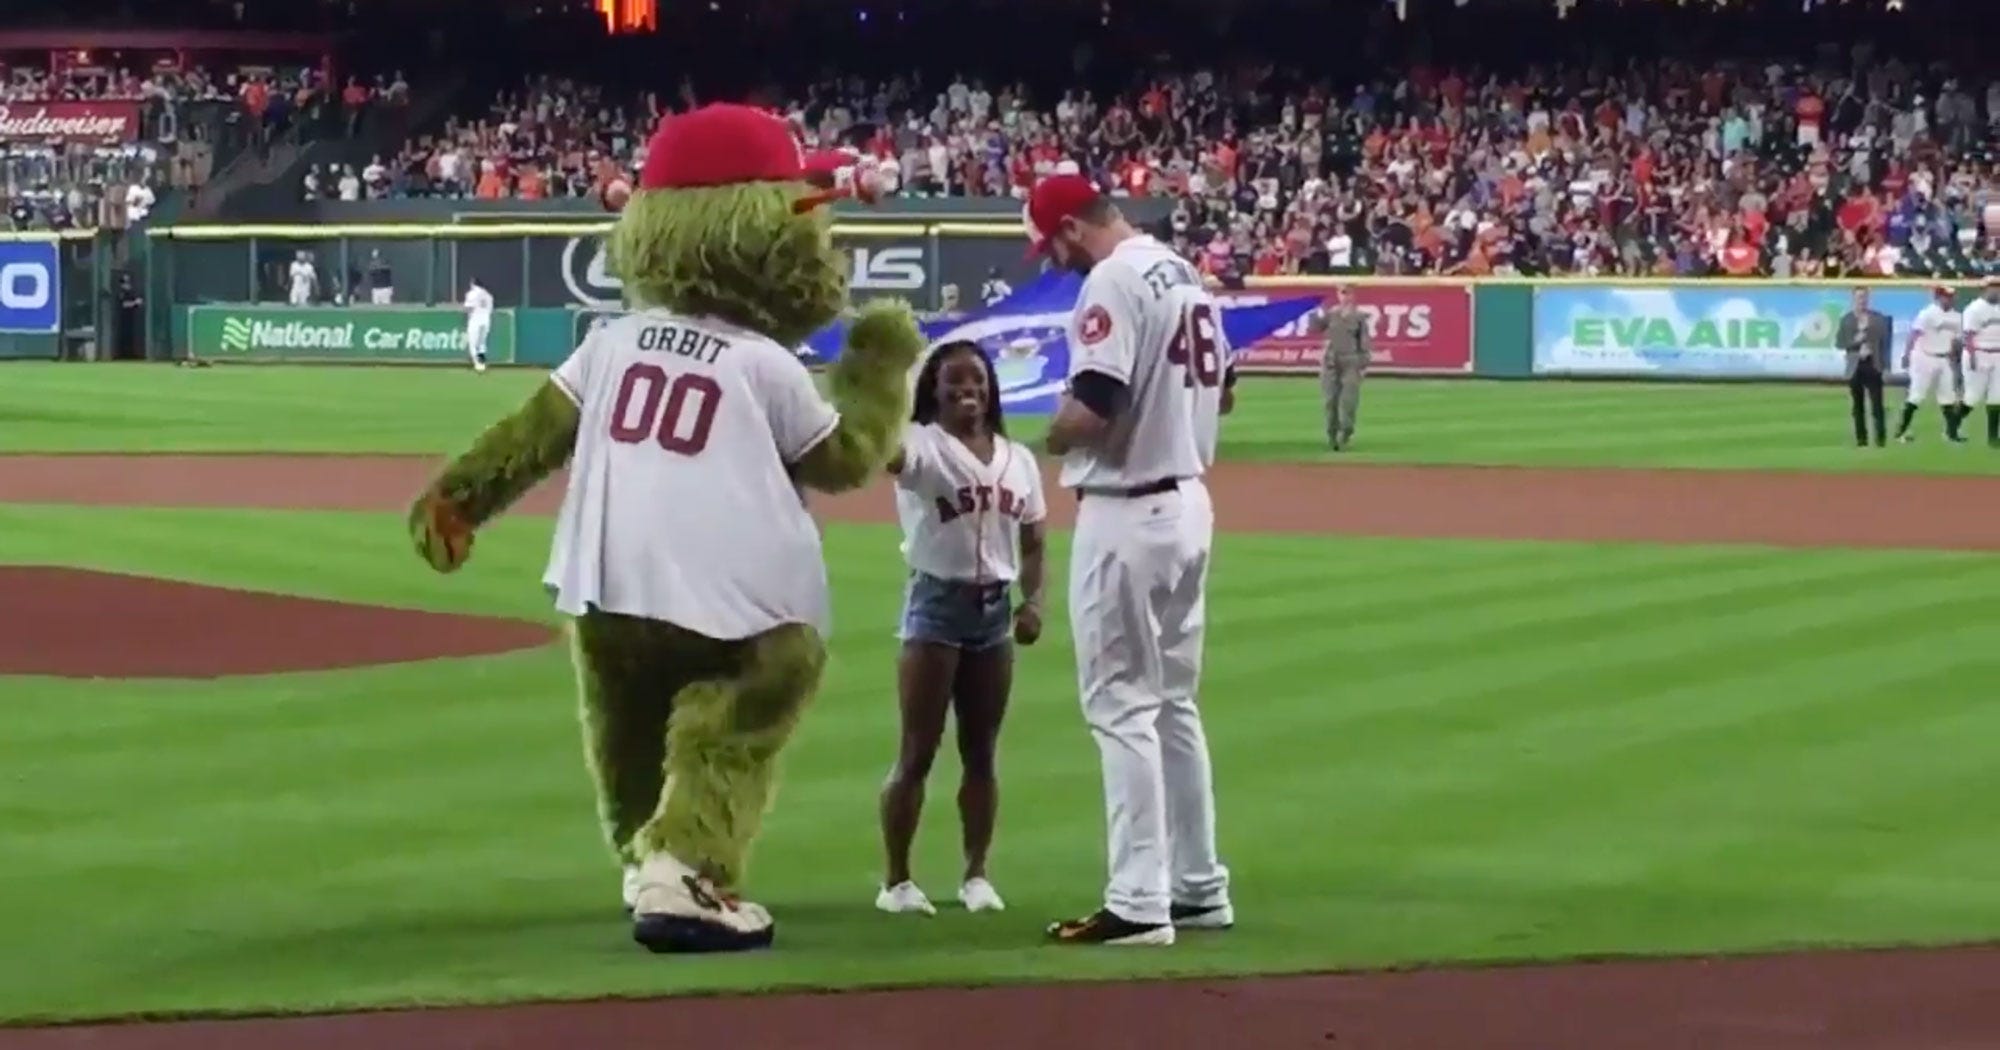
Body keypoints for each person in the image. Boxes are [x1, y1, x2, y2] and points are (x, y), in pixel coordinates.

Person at [1029, 173, 1235, 947]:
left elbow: (1094, 406)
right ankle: (1198, 886)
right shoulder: (1184, 273)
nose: (1055, 262)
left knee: (1120, 708)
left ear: (1073, 229)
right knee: (1174, 704)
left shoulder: (1112, 278)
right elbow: (1231, 394)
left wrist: (1046, 431)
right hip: (1189, 503)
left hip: (1126, 512)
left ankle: (1138, 901)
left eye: (1052, 246)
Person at [875, 340, 1048, 918]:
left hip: (994, 611)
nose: (967, 389)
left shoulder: (1018, 459)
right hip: (935, 605)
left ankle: (976, 875)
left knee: (982, 752)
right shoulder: (923, 446)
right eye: (953, 381)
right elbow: (891, 456)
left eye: (977, 379)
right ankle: (896, 881)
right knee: (917, 751)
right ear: (933, 389)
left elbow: (1035, 538)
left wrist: (1035, 602)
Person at [1895, 285, 1966, 444]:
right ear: (1939, 297)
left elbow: (1956, 340)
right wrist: (1907, 354)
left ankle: (1951, 434)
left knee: (1948, 396)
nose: (1950, 299)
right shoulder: (1928, 313)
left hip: (1944, 357)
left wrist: (1955, 358)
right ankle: (1901, 431)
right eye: (1947, 296)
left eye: (1952, 296)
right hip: (1924, 357)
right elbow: (1914, 334)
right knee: (1917, 395)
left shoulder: (1957, 317)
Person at [1836, 286, 1890, 447]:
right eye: (1859, 297)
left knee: (1877, 405)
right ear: (1853, 299)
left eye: (1864, 297)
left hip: (1873, 364)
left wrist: (1885, 365)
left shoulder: (1877, 318)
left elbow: (1884, 342)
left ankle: (1880, 439)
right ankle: (1862, 439)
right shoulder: (1847, 319)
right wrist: (1855, 341)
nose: (1862, 300)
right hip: (1855, 365)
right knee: (1857, 405)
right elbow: (1839, 343)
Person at [1960, 276, 2000, 446]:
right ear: (1984, 289)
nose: (1996, 290)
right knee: (1972, 397)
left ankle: (1993, 438)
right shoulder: (1974, 309)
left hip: (1998, 353)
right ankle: (1952, 426)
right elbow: (1968, 336)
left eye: (1998, 287)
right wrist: (1972, 357)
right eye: (1993, 287)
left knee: (1997, 397)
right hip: (1979, 353)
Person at [462, 279, 494, 372]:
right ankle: (482, 363)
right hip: (486, 320)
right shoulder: (488, 295)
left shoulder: (472, 293)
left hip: (475, 320)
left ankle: (477, 364)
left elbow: (468, 308)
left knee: (473, 344)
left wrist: (464, 316)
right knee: (482, 344)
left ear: (473, 284)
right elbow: (490, 310)